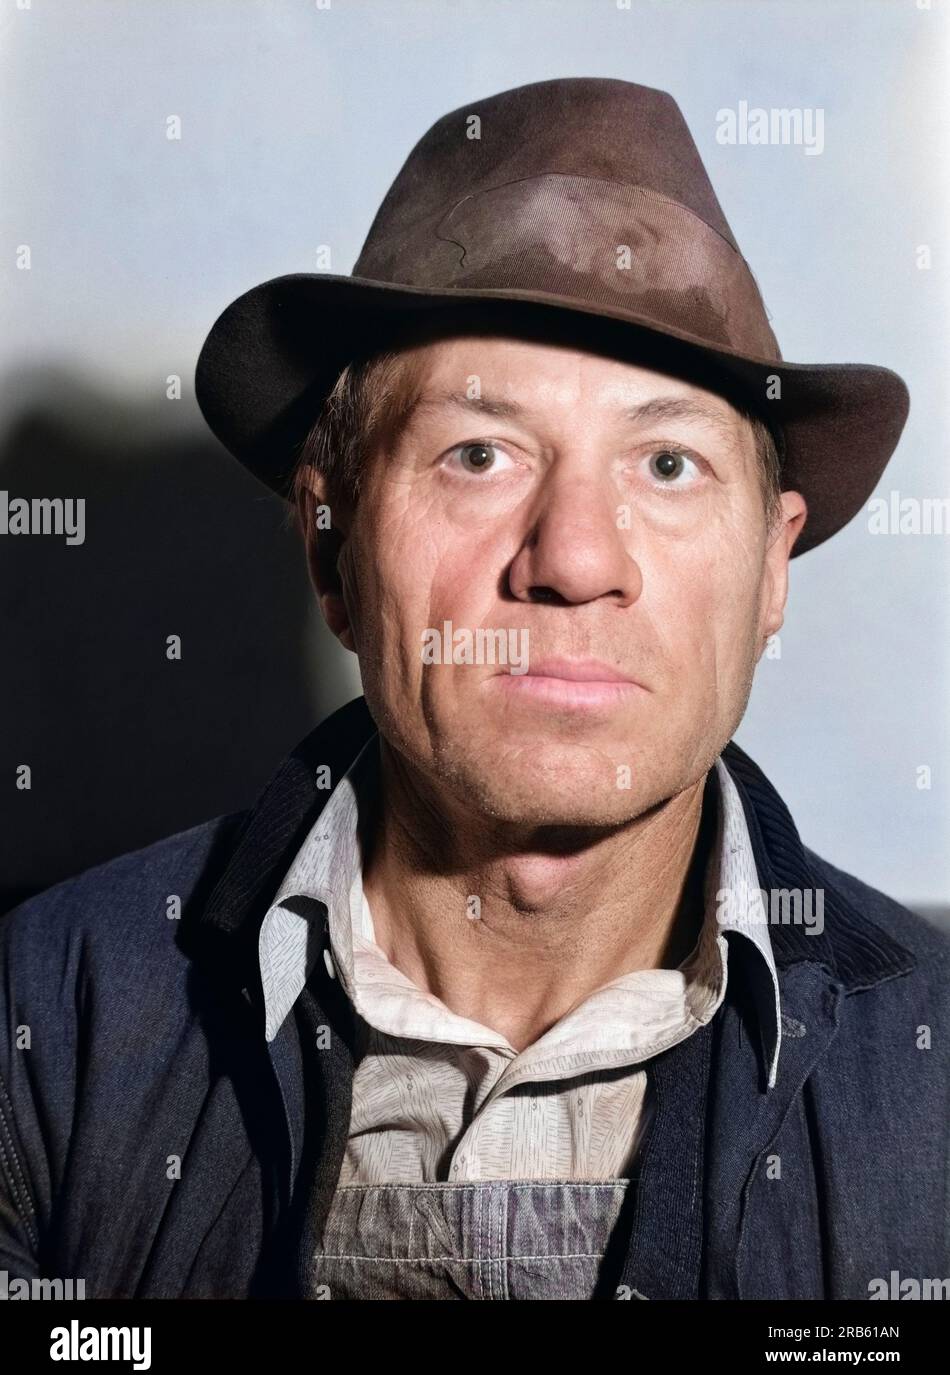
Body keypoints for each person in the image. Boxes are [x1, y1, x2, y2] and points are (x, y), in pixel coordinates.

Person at [1, 78, 946, 1301]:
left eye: (665, 463)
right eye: (478, 453)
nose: (572, 559)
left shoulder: (927, 1087)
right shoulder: (47, 1026)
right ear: (330, 549)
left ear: (770, 569)